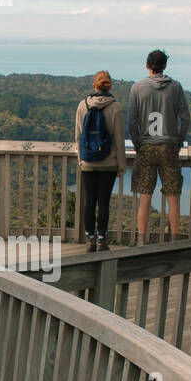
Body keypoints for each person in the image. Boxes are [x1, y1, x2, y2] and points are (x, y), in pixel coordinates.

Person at [127, 49, 190, 245]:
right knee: (173, 196)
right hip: (169, 146)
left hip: (146, 146)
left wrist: (138, 142)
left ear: (147, 66)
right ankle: (174, 241)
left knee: (145, 196)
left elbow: (131, 121)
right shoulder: (176, 87)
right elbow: (185, 117)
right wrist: (179, 139)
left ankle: (141, 240)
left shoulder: (137, 88)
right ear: (165, 66)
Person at [74, 70, 127, 251]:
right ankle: (102, 239)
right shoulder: (116, 107)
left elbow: (78, 136)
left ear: (94, 85)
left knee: (90, 201)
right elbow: (119, 140)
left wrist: (81, 159)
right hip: (109, 163)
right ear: (109, 85)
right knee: (103, 202)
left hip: (88, 162)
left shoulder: (83, 105)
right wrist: (121, 165)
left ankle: (90, 240)